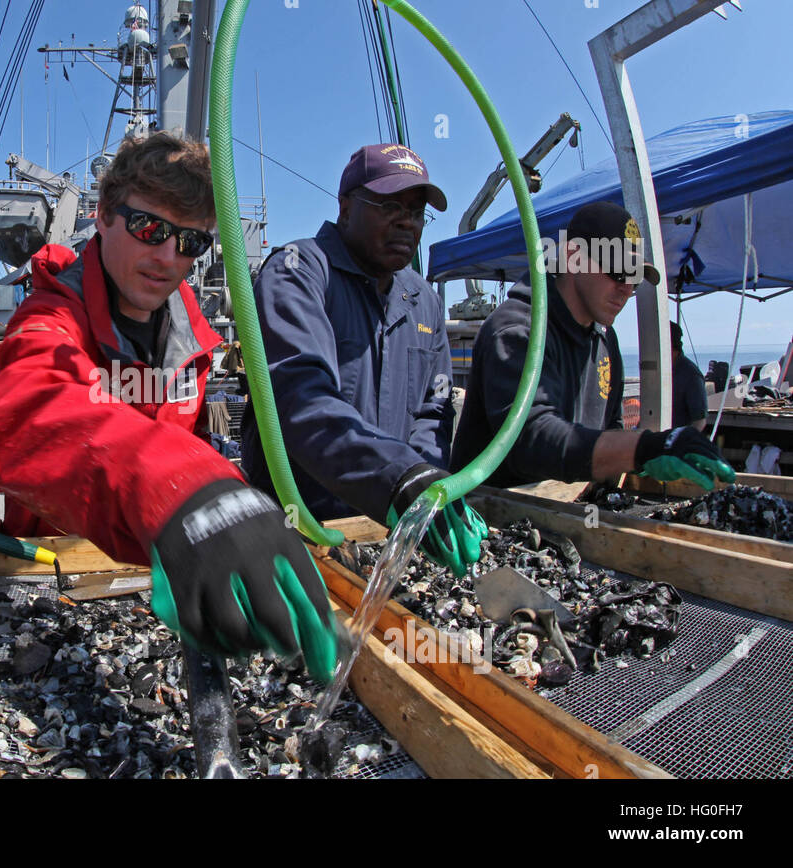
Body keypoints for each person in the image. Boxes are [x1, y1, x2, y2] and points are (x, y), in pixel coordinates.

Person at [0, 134, 338, 679]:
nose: (168, 257)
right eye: (150, 229)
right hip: (50, 574)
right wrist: (181, 490)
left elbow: (188, 441)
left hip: (157, 573)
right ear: (103, 216)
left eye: (191, 242)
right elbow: (20, 410)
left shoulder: (195, 337)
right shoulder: (54, 314)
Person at [240, 144, 486, 579]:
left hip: (386, 528)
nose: (407, 221)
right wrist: (399, 478)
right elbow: (301, 401)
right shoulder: (298, 273)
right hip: (297, 536)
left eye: (416, 211)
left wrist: (424, 482)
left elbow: (434, 409)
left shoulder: (422, 300)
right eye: (390, 205)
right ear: (346, 207)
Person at [451, 201, 735, 491]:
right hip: (489, 520)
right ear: (573, 256)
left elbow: (610, 424)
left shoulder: (604, 338)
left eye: (635, 278)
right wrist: (643, 448)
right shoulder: (516, 330)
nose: (627, 289)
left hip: (564, 512)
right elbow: (530, 441)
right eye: (618, 272)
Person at [670, 322, 708, 430]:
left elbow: (699, 421)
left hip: (676, 443)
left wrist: (683, 442)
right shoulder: (657, 372)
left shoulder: (691, 375)